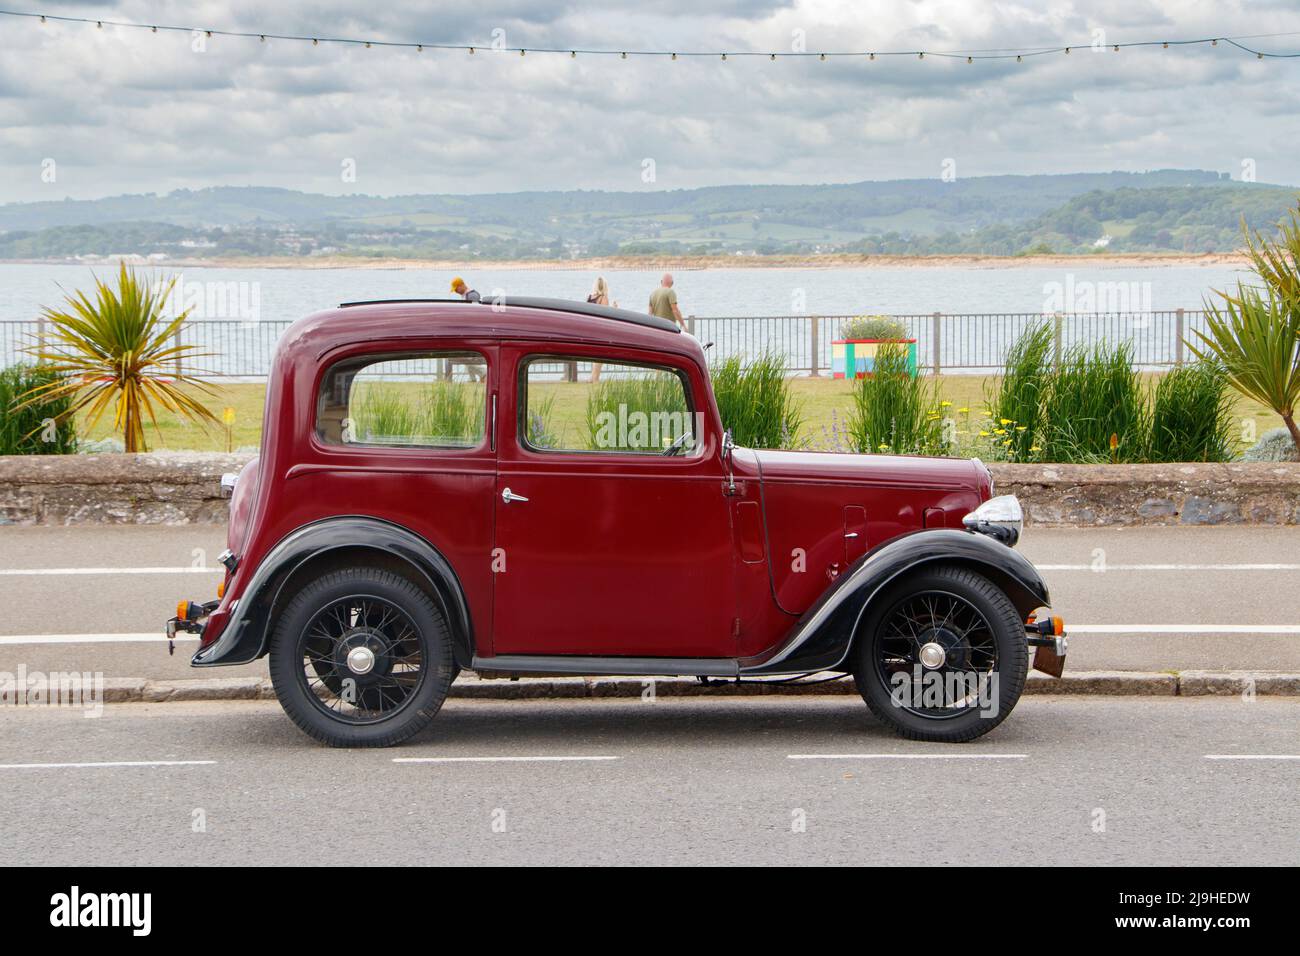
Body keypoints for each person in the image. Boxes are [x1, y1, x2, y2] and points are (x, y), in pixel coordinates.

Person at [587, 277, 615, 382]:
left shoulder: (589, 297)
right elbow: (606, 316)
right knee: (600, 355)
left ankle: (592, 377)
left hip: (590, 329)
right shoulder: (603, 298)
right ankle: (595, 378)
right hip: (599, 330)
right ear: (605, 286)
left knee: (595, 355)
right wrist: (614, 309)